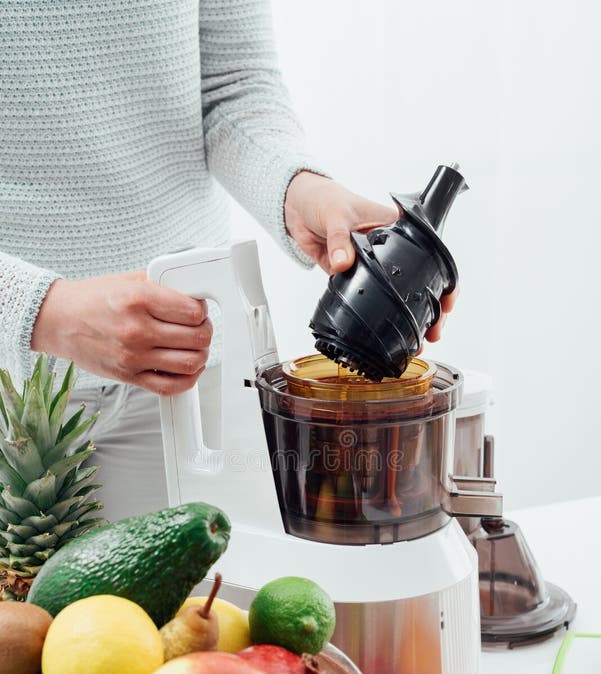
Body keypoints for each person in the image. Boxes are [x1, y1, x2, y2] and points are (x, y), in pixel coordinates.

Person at [0, 0, 456, 522]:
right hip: (11, 390)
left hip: (182, 378)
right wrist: (40, 311)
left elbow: (232, 84)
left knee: (208, 601)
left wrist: (301, 189)